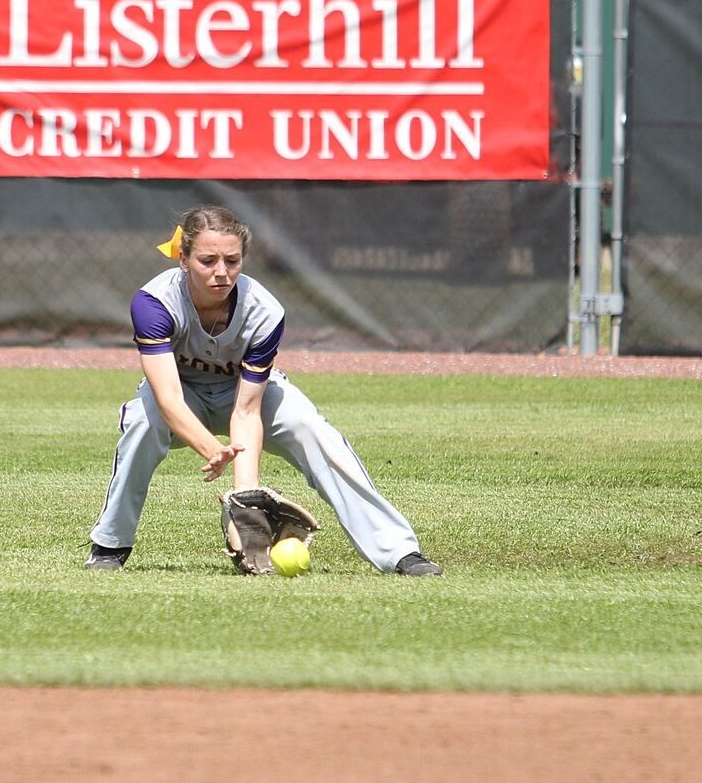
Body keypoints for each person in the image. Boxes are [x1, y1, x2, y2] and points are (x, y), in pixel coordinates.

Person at [87, 204, 442, 576]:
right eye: (207, 260)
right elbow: (168, 399)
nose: (221, 272)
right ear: (184, 259)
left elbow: (246, 411)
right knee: (143, 423)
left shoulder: (264, 311)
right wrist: (212, 449)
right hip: (182, 393)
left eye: (232, 260)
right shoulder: (154, 303)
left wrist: (245, 498)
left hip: (242, 395)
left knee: (313, 431)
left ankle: (398, 551)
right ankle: (110, 544)